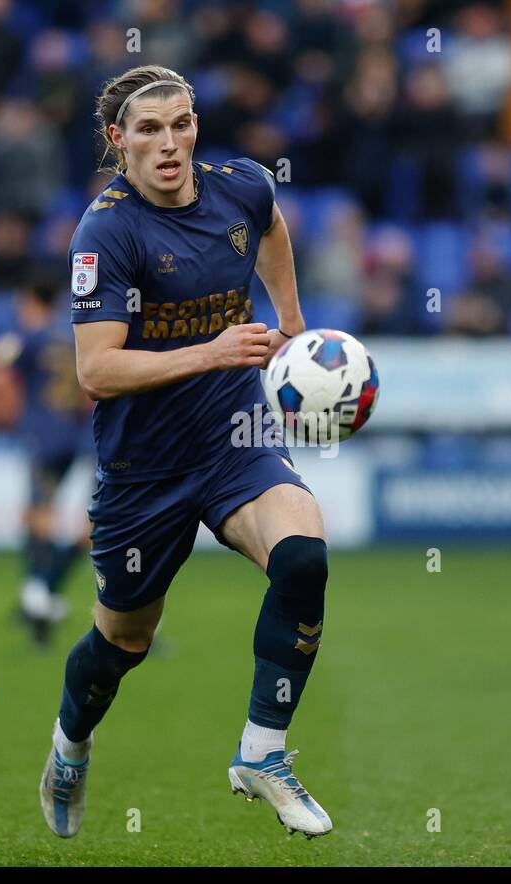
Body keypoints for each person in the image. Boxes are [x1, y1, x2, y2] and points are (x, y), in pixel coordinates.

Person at [40, 65, 333, 839]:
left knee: (304, 558)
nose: (169, 143)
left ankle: (262, 754)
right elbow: (95, 371)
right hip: (145, 468)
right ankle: (71, 744)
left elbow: (270, 223)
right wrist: (213, 350)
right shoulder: (106, 231)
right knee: (123, 642)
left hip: (235, 436)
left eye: (181, 123)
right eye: (148, 129)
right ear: (118, 141)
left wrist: (294, 323)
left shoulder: (240, 185)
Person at [0, 261, 92, 645]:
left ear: (26, 299)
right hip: (83, 435)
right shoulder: (75, 332)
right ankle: (45, 592)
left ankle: (37, 591)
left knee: (38, 517)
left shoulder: (25, 336)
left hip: (44, 435)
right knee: (90, 524)